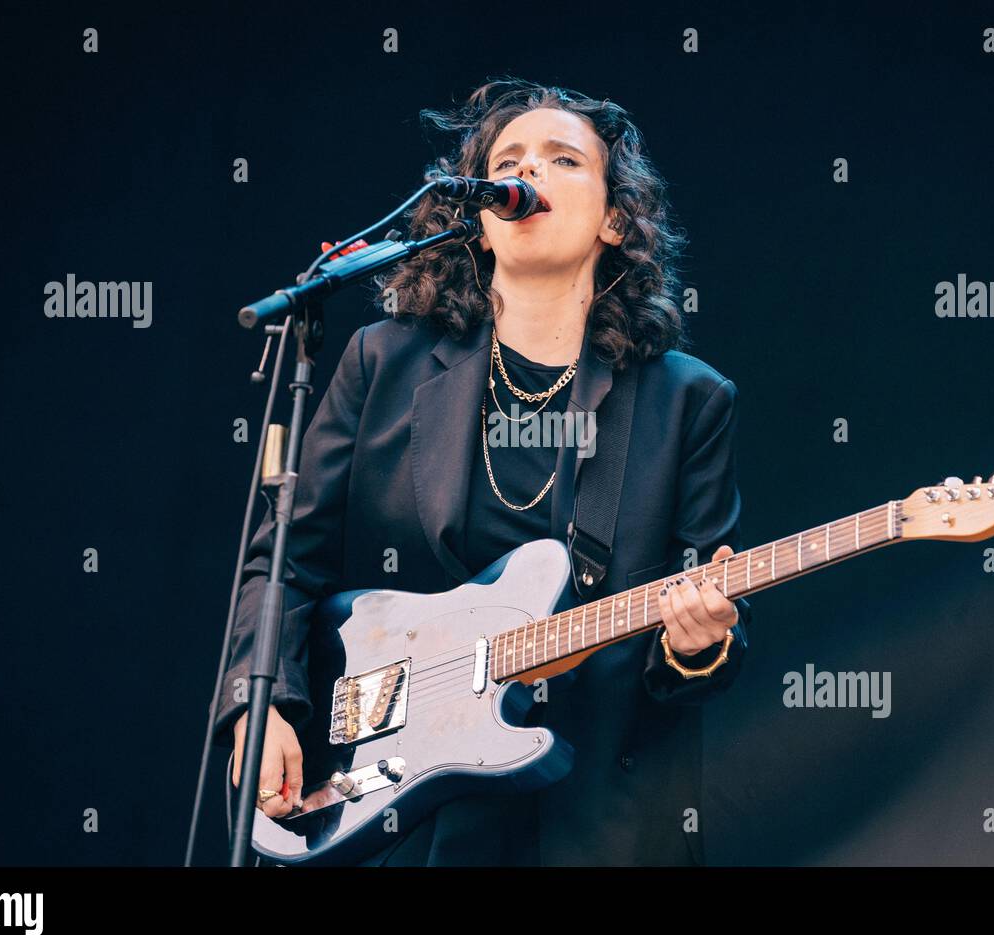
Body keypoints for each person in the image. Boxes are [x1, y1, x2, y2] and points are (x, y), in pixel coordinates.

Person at [214, 76, 752, 865]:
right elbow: (284, 561)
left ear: (613, 219)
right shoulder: (382, 364)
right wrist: (260, 711)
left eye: (563, 159)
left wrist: (696, 645)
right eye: (511, 160)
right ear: (481, 218)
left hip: (591, 818)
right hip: (395, 812)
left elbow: (707, 624)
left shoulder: (687, 401)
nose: (528, 173)